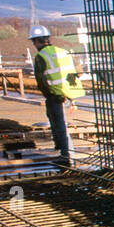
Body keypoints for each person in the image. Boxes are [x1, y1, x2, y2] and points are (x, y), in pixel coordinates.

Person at [29, 25, 85, 165]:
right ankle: (61, 149)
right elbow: (77, 71)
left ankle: (66, 155)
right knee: (56, 120)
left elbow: (41, 80)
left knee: (59, 123)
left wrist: (49, 94)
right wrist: (69, 89)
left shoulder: (41, 56)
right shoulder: (62, 51)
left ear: (36, 41)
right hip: (69, 92)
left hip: (55, 94)